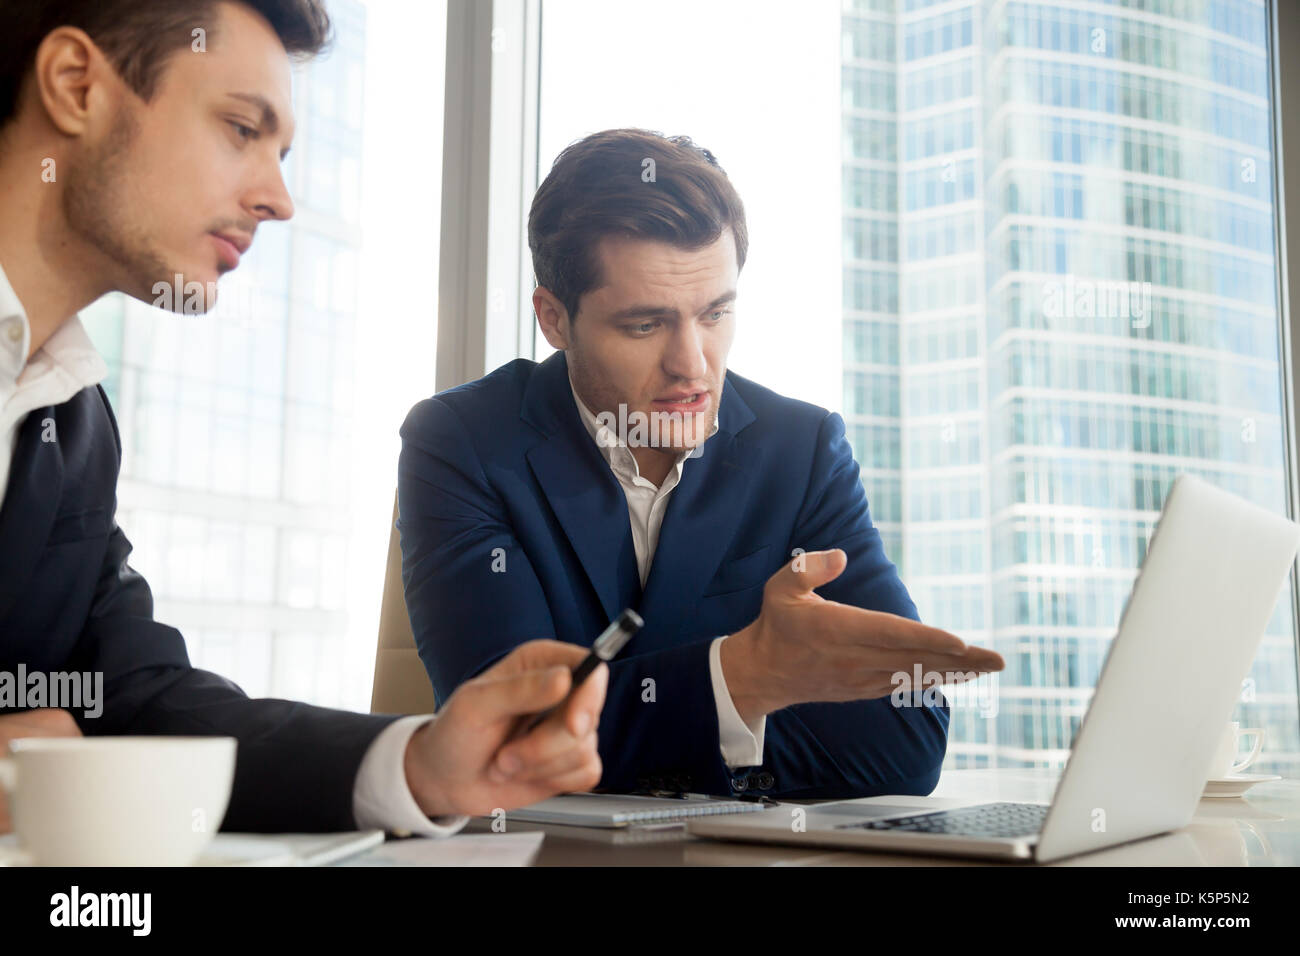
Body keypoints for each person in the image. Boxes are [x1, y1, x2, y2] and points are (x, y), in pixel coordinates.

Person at [0, 0, 605, 838]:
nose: (278, 199)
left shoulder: (68, 417)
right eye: (241, 129)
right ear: (75, 86)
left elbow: (133, 699)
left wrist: (419, 762)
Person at [398, 128, 1004, 800]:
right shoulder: (464, 443)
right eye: (644, 325)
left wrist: (660, 724)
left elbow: (907, 740)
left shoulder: (802, 452)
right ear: (553, 318)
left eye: (716, 313)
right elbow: (503, 738)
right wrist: (747, 680)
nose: (692, 364)